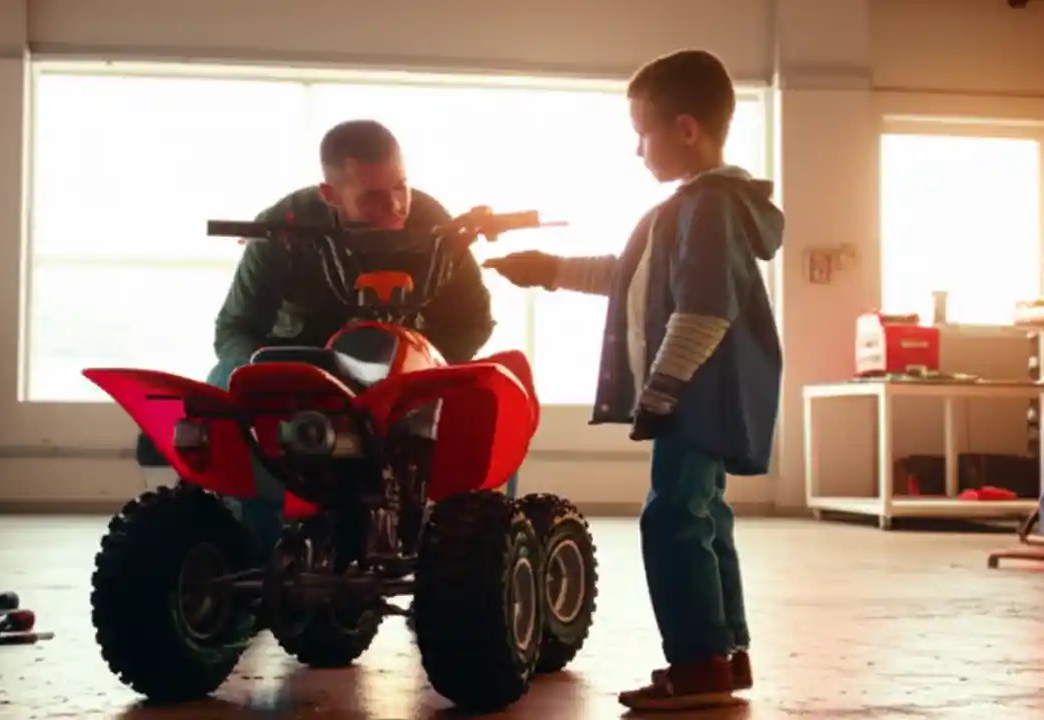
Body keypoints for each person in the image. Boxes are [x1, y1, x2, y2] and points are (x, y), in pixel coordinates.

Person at [484, 49, 783, 711]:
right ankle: (724, 655)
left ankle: (699, 663)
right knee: (705, 519)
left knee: (671, 519)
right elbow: (634, 277)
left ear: (684, 129)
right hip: (708, 396)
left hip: (699, 397)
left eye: (642, 132)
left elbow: (703, 308)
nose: (636, 149)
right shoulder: (694, 208)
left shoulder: (710, 208)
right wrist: (549, 268)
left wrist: (663, 390)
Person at [207, 119, 501, 562]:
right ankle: (252, 557)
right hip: (302, 371)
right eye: (372, 198)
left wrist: (428, 370)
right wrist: (252, 376)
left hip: (402, 369)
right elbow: (236, 324)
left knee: (486, 403)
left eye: (400, 187)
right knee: (221, 404)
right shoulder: (281, 230)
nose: (395, 207)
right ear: (330, 195)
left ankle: (467, 558)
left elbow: (473, 319)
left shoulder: (432, 223)